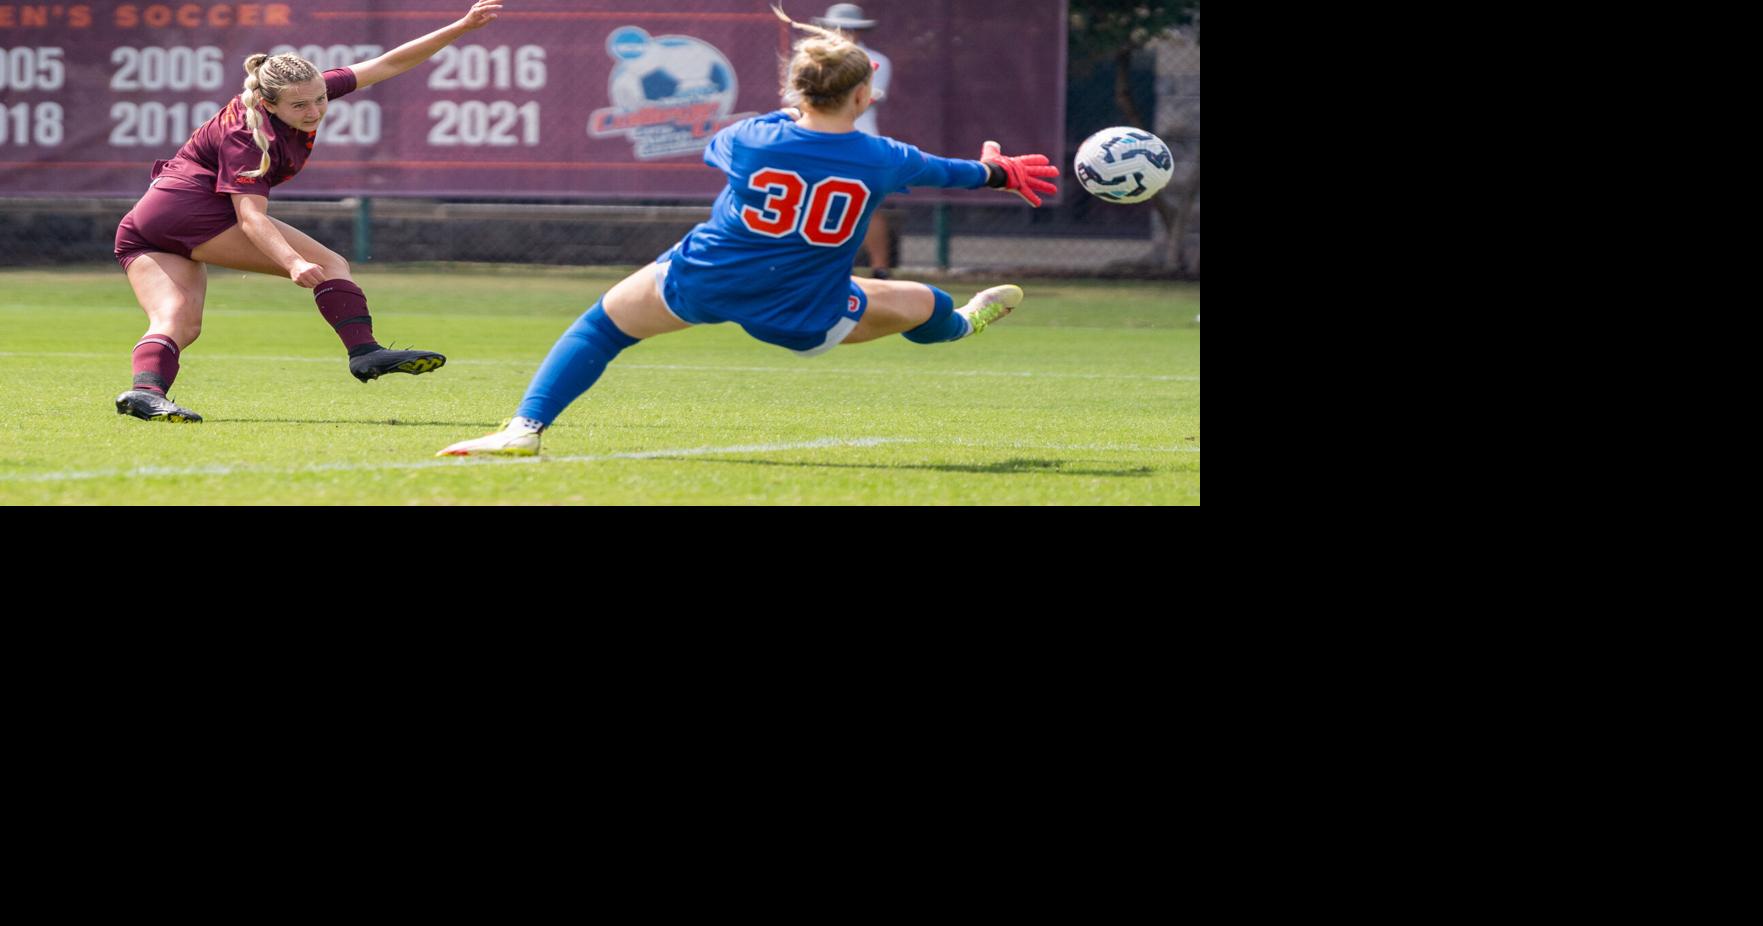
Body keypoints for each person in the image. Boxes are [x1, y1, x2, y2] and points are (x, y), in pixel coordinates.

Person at [437, 5, 1057, 457]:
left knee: (599, 328)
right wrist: (997, 172)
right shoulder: (885, 158)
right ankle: (966, 323)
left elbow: (735, 142)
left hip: (707, 278)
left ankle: (524, 430)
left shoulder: (749, 138)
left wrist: (787, 116)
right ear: (865, 94)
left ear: (797, 89)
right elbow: (953, 173)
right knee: (930, 307)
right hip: (801, 307)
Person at [110, 1, 505, 423]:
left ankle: (145, 394)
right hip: (188, 210)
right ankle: (364, 352)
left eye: (320, 99)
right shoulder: (248, 135)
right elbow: (251, 218)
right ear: (269, 103)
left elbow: (389, 63)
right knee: (328, 264)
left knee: (179, 321)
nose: (314, 111)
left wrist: (461, 26)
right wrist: (293, 262)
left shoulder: (299, 92)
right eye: (301, 106)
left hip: (144, 226)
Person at [812, 3, 895, 278]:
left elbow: (866, 100)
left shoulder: (877, 61)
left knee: (868, 205)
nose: (844, 33)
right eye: (838, 28)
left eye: (851, 29)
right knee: (816, 206)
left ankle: (880, 270)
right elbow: (794, 100)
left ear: (860, 32)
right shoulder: (808, 60)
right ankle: (820, 268)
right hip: (817, 143)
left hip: (862, 143)